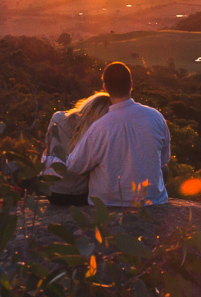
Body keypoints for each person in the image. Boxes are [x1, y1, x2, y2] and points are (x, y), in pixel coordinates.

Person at [65, 62, 171, 206]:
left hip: (108, 204)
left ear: (105, 88)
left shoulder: (99, 127)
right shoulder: (156, 117)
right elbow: (164, 159)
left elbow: (74, 166)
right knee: (164, 170)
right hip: (152, 201)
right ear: (131, 84)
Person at [42, 92, 111, 206]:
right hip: (80, 196)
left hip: (52, 192)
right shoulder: (97, 132)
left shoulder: (58, 117)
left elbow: (48, 146)